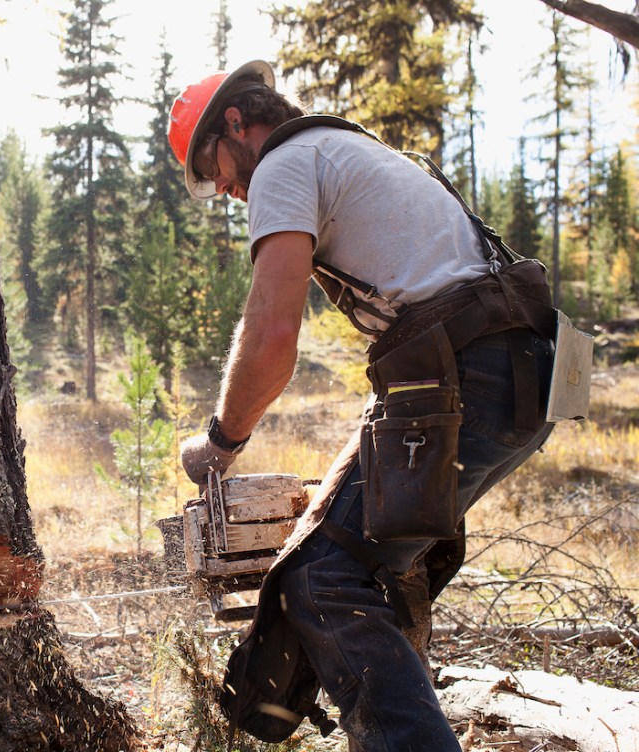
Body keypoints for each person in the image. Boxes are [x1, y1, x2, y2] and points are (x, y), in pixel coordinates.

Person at [168, 60, 558, 750]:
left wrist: (220, 442)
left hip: (469, 373)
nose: (224, 187)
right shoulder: (346, 147)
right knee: (373, 568)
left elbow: (271, 336)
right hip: (518, 372)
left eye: (214, 164)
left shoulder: (286, 164)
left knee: (321, 576)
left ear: (237, 121)